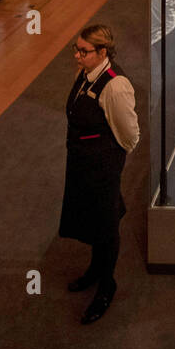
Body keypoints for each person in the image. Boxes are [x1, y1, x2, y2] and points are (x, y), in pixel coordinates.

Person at [59, 23, 139, 325]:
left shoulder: (116, 85)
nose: (77, 56)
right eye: (76, 49)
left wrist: (109, 159)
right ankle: (94, 269)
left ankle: (107, 285)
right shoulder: (87, 74)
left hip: (102, 166)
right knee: (93, 217)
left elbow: (130, 135)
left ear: (102, 52)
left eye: (83, 51)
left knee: (105, 225)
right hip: (83, 163)